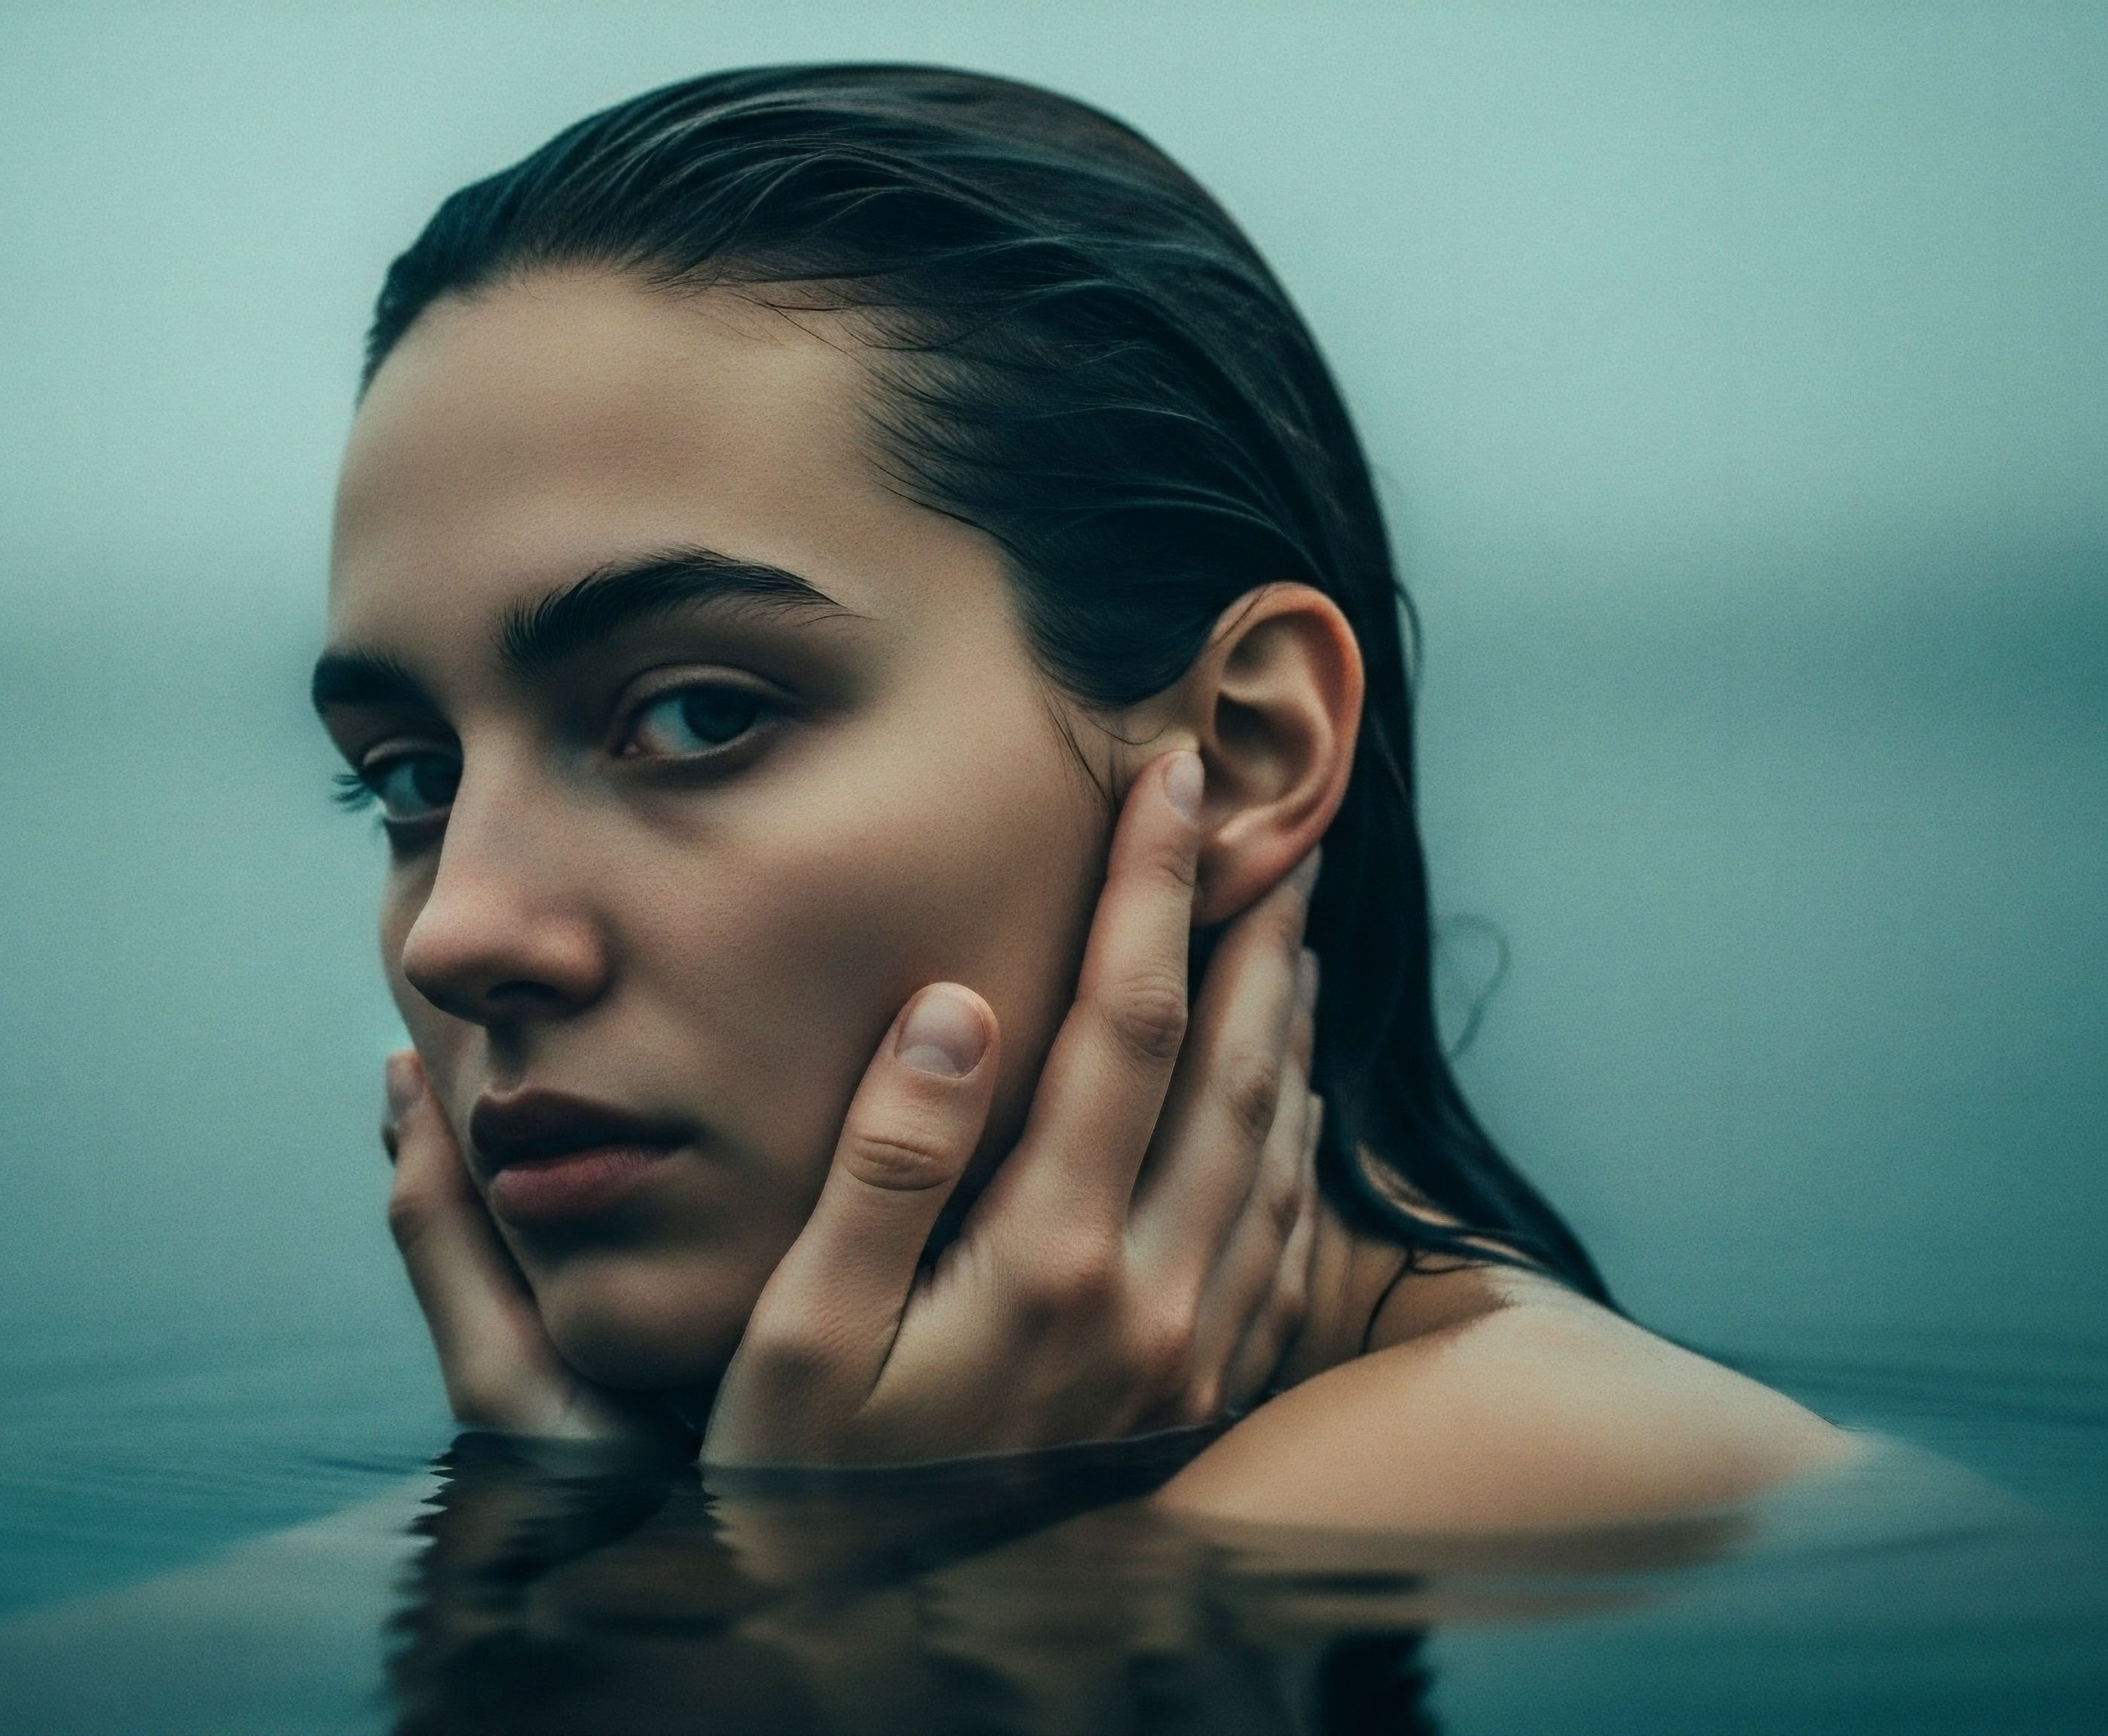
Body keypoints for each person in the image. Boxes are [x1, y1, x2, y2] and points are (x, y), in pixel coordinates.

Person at [321, 62, 1850, 1533]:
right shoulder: (682, 1499)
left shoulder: (1546, 1472)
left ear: (1242, 756)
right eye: (413, 777)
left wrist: (801, 1577)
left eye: (698, 714)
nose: (459, 933)